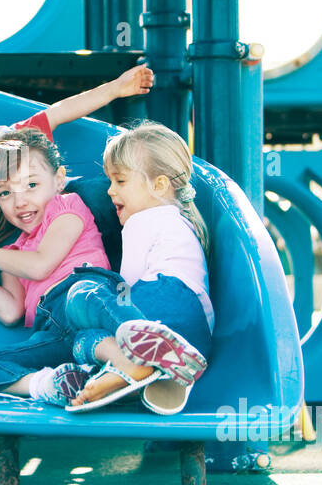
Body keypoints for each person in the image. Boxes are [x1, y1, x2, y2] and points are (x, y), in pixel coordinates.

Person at [0, 128, 114, 405]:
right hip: (55, 336)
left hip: (86, 304)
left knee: (85, 297)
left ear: (58, 180)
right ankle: (52, 384)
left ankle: (137, 352)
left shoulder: (67, 208)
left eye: (31, 185)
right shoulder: (12, 253)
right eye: (5, 193)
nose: (20, 202)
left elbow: (40, 265)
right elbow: (10, 313)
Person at [60, 121, 214, 415]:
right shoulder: (182, 221)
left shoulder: (143, 220)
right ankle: (141, 370)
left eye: (119, 181)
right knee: (84, 338)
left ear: (158, 185)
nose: (109, 191)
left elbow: (125, 288)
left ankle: (127, 363)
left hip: (161, 300)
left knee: (82, 294)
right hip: (196, 336)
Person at [0, 63, 153, 233]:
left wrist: (116, 88)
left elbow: (56, 114)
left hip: (61, 202)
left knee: (110, 191)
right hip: (15, 230)